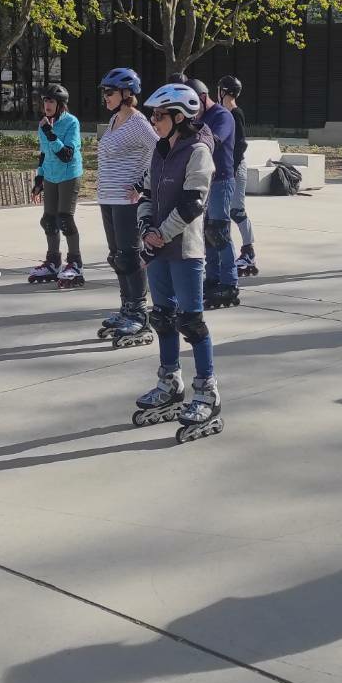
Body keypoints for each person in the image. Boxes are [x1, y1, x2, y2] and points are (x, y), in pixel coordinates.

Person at [131, 82, 223, 442]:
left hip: (185, 249)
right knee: (162, 317)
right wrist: (146, 228)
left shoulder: (198, 151)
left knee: (191, 321)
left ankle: (207, 391)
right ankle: (169, 382)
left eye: (159, 115)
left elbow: (193, 204)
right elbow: (145, 192)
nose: (153, 120)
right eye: (153, 114)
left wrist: (160, 234)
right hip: (159, 248)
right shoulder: (160, 149)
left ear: (180, 117)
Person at [95, 68, 157, 344]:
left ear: (127, 94)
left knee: (130, 256)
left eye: (110, 92)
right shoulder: (114, 120)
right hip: (108, 198)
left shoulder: (140, 123)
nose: (105, 97)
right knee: (116, 256)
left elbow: (161, 151)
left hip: (127, 201)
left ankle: (139, 314)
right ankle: (126, 308)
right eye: (104, 92)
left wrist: (142, 184)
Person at [183, 77, 239, 308]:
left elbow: (214, 141)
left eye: (194, 106)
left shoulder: (221, 116)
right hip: (205, 181)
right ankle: (213, 278)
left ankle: (229, 284)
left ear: (203, 98)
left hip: (222, 180)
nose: (192, 113)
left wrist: (193, 136)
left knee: (219, 230)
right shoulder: (198, 117)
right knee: (207, 232)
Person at [29, 84, 85, 287]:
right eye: (45, 101)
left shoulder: (71, 123)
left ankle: (75, 263)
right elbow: (44, 154)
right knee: (48, 220)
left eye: (51, 101)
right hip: (51, 175)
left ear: (60, 104)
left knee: (64, 219)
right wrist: (39, 180)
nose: (47, 104)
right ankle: (53, 262)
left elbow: (66, 154)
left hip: (69, 174)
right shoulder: (43, 124)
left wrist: (50, 132)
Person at [218, 75, 259, 277]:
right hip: (224, 168)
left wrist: (231, 168)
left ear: (224, 91)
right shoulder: (221, 113)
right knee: (219, 213)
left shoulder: (235, 113)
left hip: (234, 168)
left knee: (237, 211)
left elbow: (241, 144)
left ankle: (248, 251)